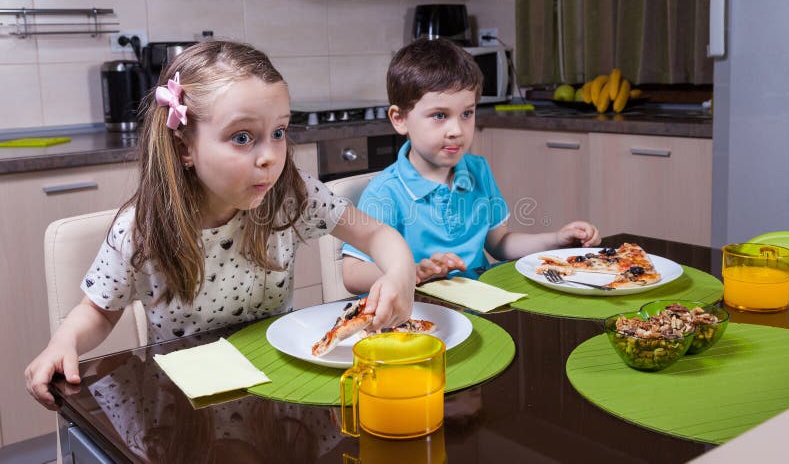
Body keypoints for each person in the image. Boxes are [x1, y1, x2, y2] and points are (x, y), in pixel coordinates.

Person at [25, 41, 416, 409]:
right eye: (243, 137)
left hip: (278, 387)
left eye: (278, 132)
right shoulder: (140, 229)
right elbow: (99, 310)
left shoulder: (292, 195)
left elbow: (375, 233)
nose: (269, 157)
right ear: (184, 147)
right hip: (188, 401)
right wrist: (64, 341)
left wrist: (400, 275)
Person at [341, 38, 601, 288]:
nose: (457, 130)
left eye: (467, 113)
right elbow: (353, 274)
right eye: (439, 115)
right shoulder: (386, 192)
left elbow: (499, 243)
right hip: (417, 311)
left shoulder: (478, 170)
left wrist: (556, 240)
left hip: (479, 304)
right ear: (400, 119)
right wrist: (411, 271)